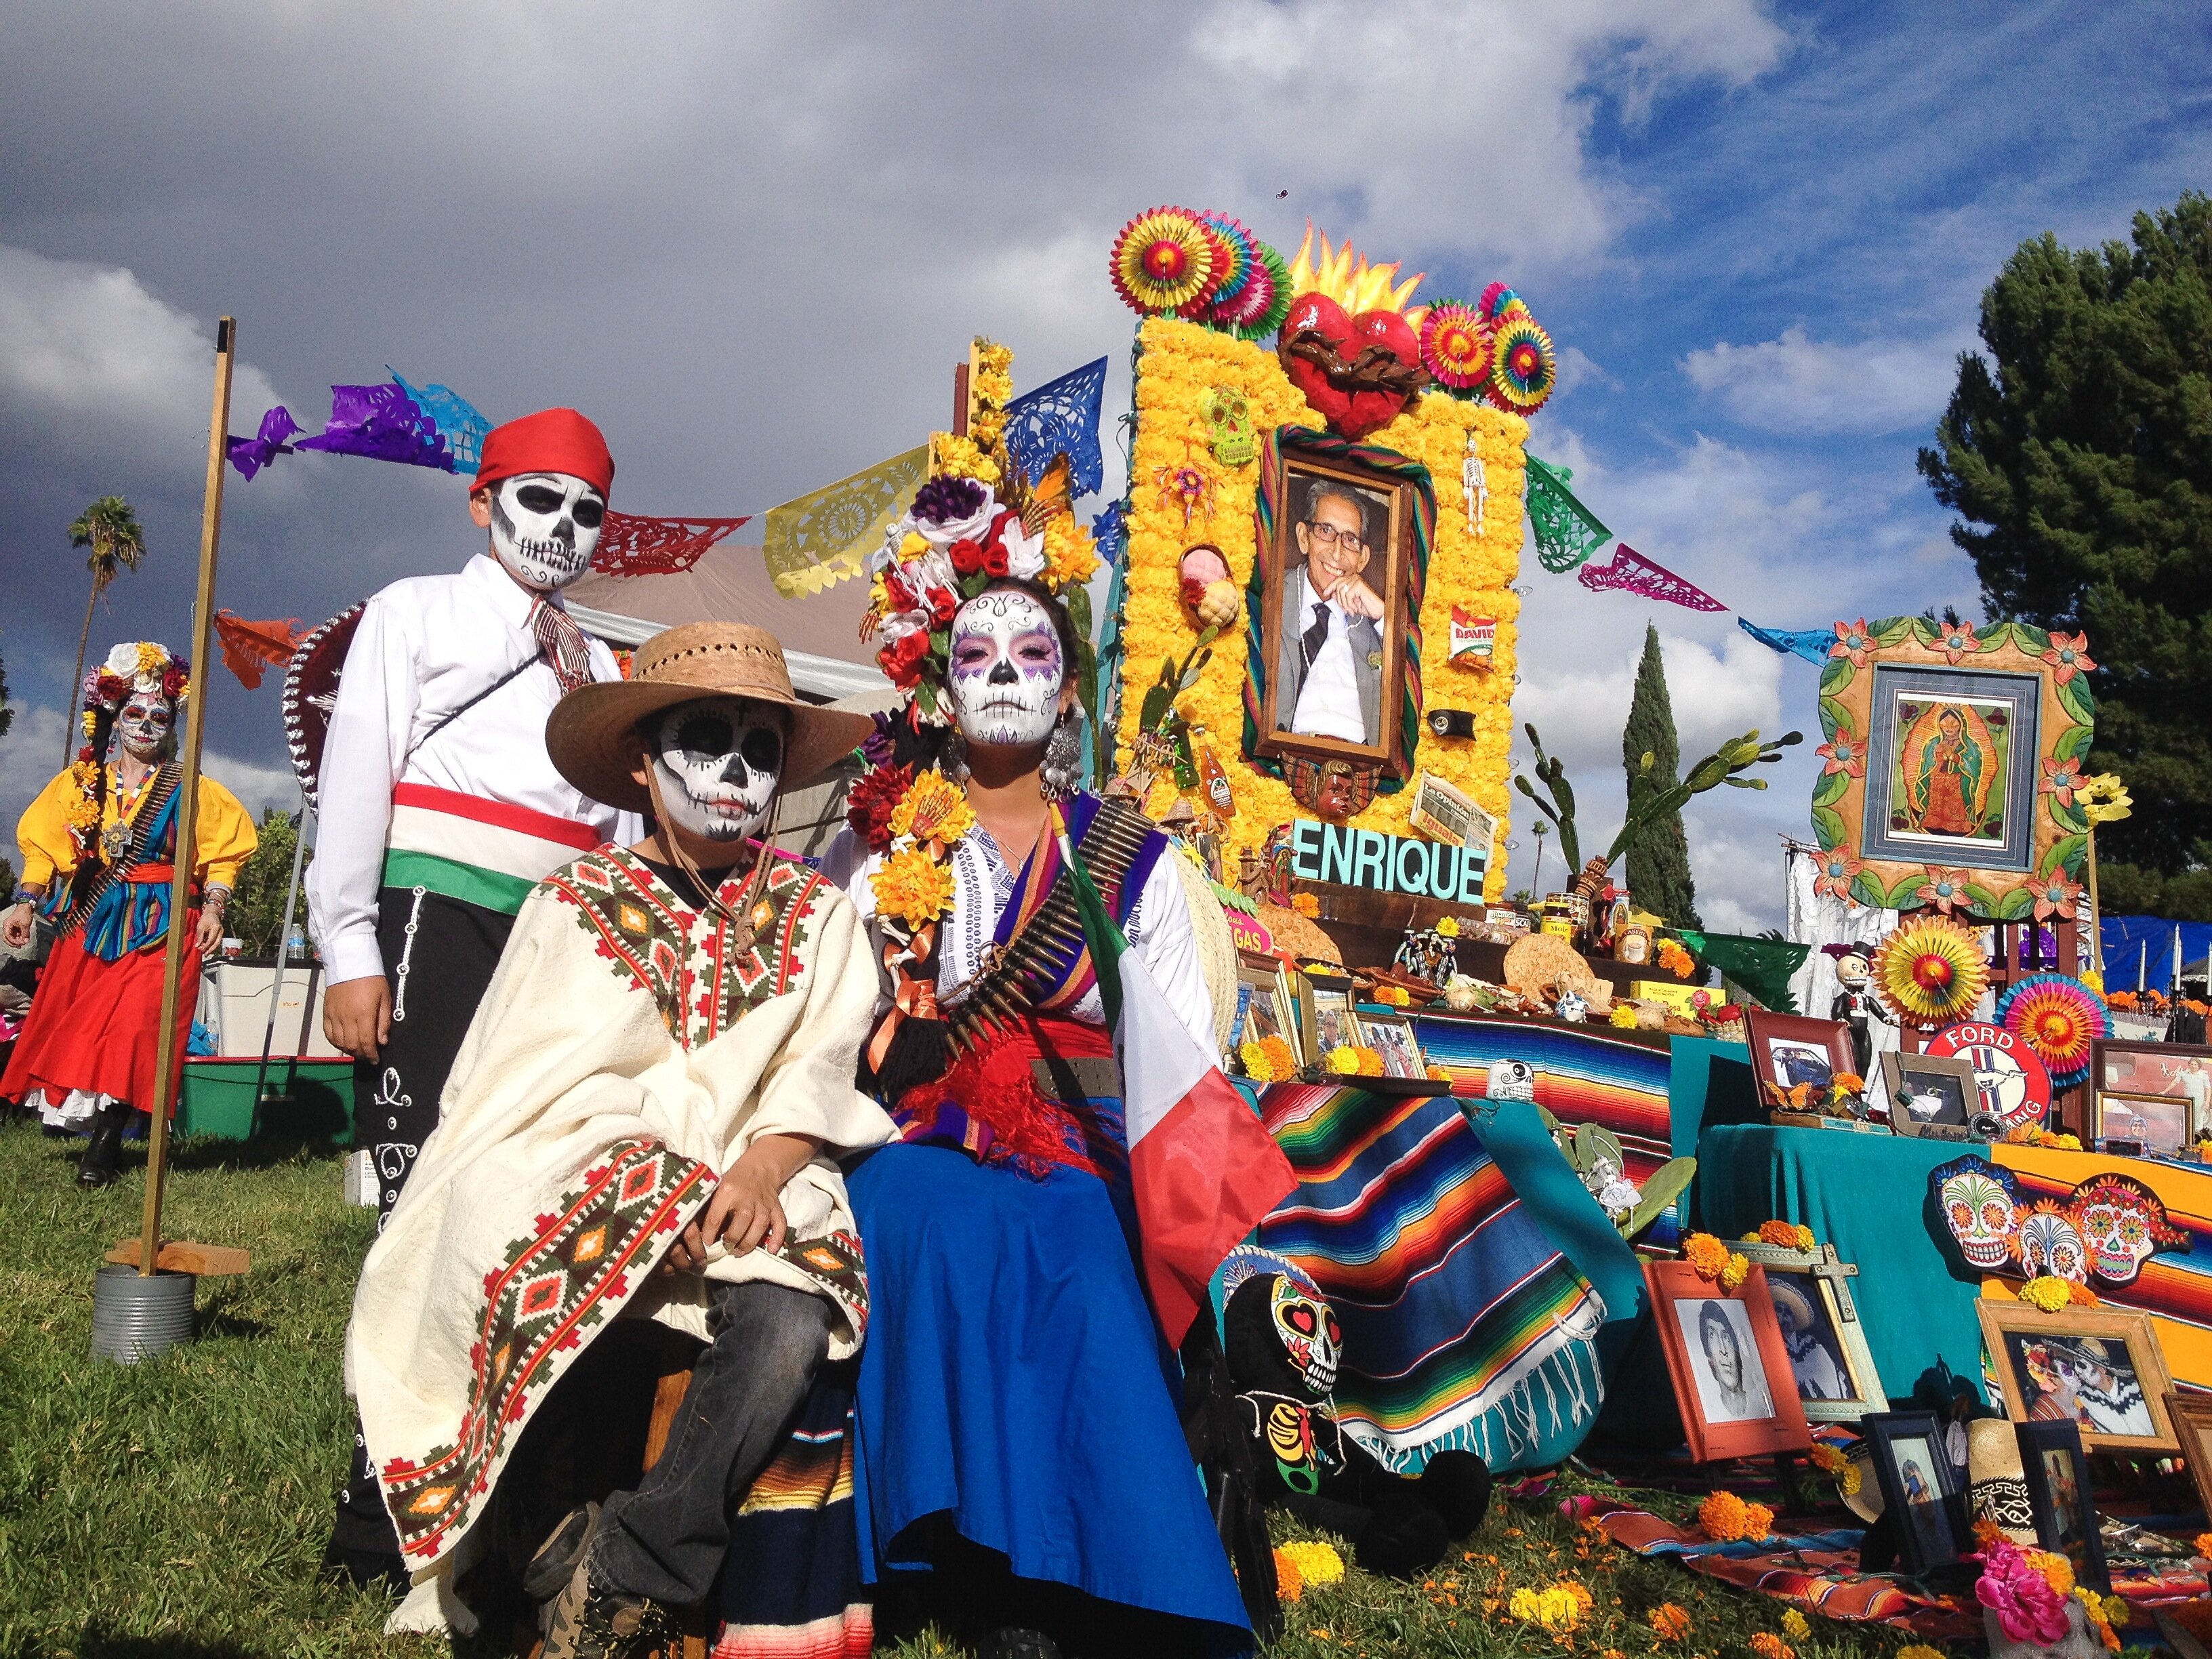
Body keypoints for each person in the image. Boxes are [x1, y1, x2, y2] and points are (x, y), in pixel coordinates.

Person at [347, 623, 890, 1656]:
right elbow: (527, 1087)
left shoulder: (817, 913)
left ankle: (624, 1573)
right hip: (588, 1164)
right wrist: (657, 1190)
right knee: (493, 1231)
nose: (735, 771)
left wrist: (762, 1167)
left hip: (764, 1174)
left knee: (790, 1321)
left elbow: (819, 1067)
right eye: (706, 739)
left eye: (760, 748)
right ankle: (534, 1525)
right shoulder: (574, 901)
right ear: (642, 762)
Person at [830, 446, 1281, 1658]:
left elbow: (1180, 1044)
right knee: (908, 1213)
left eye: (1030, 654)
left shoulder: (1133, 858)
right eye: (974, 655)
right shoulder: (878, 845)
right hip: (915, 1132)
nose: (1001, 675)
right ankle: (948, 1546)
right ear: (940, 683)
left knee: (1071, 1239)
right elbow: (827, 1009)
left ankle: (1049, 1572)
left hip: (1078, 1138)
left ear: (1070, 692)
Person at [304, 407, 642, 1587]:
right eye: (539, 497)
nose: (563, 526)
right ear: (481, 500)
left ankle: (502, 1495)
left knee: (523, 1198)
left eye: (588, 509)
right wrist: (349, 941)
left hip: (552, 946)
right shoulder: (413, 613)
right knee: (419, 1205)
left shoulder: (601, 666)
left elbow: (617, 831)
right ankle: (377, 1509)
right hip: (429, 919)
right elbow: (357, 770)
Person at [1, 642, 256, 1185]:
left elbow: (221, 855)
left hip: (163, 922)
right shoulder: (81, 783)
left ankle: (107, 1140)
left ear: (172, 726)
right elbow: (45, 844)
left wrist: (214, 906)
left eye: (158, 717)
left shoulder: (194, 789)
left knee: (137, 1028)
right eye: (135, 713)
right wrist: (26, 900)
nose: (145, 726)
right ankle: (93, 1125)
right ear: (115, 719)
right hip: (92, 918)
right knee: (84, 1023)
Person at [1273, 481, 1384, 747]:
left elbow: (1415, 677)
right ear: (1304, 537)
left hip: (1361, 759)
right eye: (1325, 531)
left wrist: (1383, 615)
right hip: (1285, 753)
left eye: (1350, 539)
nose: (1337, 552)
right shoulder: (1271, 595)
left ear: (1363, 558)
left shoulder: (1376, 621)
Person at [1694, 1300, 1769, 1422]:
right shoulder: (1712, 1411)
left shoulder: (1760, 1400)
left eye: (1726, 1337)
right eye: (1712, 1336)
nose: (1723, 1350)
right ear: (1709, 1358)